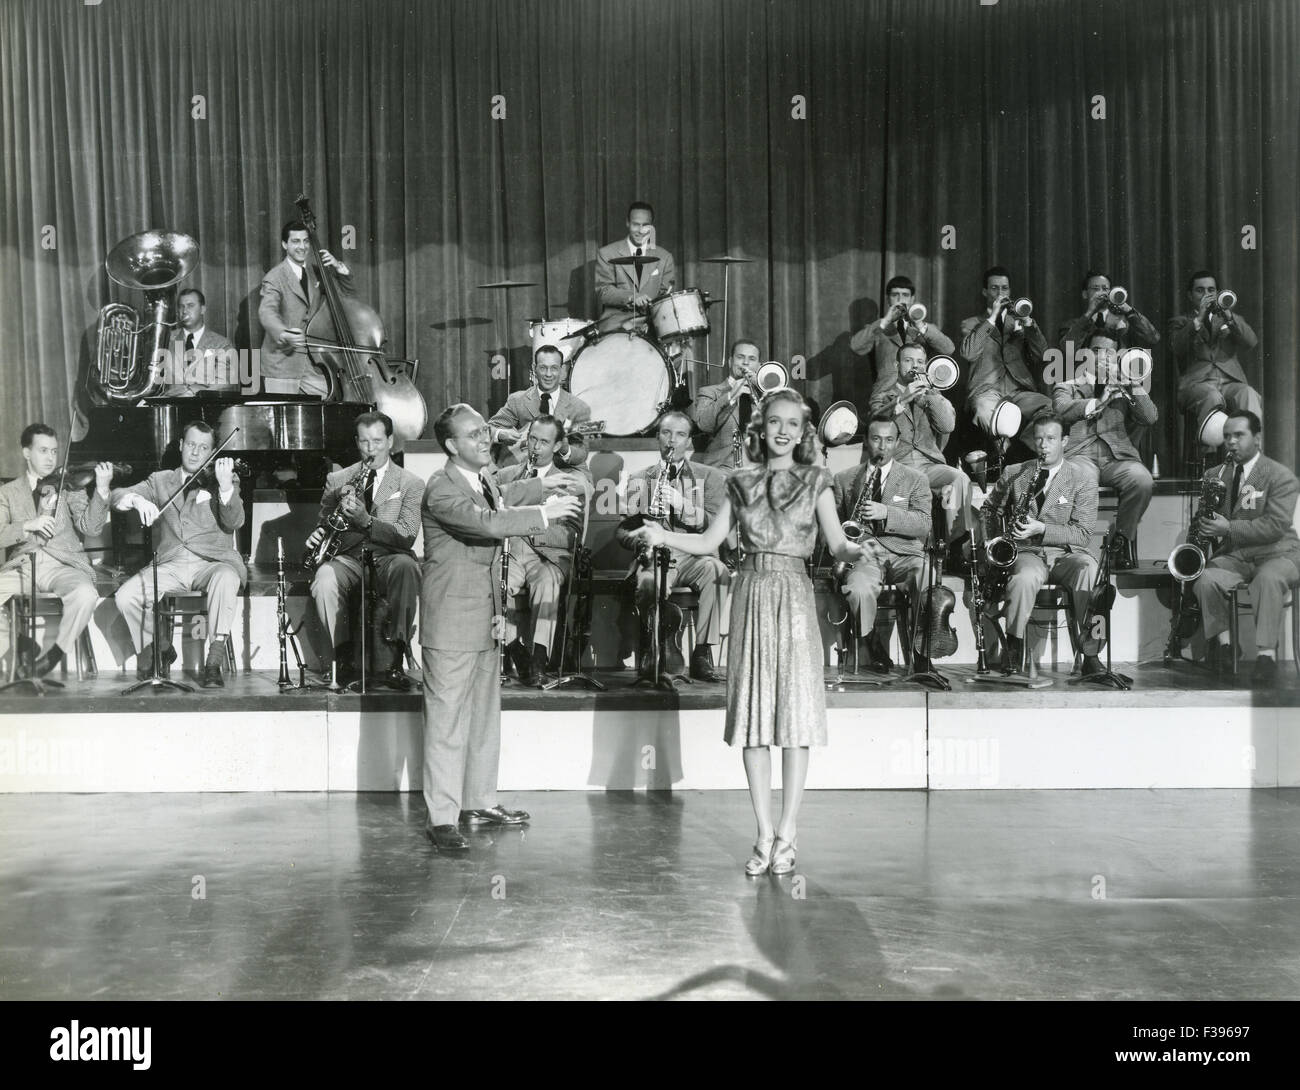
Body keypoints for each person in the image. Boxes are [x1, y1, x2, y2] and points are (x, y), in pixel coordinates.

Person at [632, 389, 865, 877]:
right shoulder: (739, 482)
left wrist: (854, 554)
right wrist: (661, 534)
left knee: (794, 719)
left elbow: (838, 543)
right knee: (755, 720)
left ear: (802, 432)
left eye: (792, 424)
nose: (782, 431)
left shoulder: (818, 481)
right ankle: (762, 834)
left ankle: (789, 833)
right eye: (774, 421)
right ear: (762, 427)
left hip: (795, 597)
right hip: (752, 594)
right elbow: (708, 542)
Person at [419, 404, 581, 853]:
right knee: (447, 724)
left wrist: (538, 484)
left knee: (483, 719)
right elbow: (487, 522)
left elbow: (501, 492)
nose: (485, 439)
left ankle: (478, 802)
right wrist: (544, 512)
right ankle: (442, 819)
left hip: (487, 617)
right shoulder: (441, 488)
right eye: (473, 435)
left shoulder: (481, 478)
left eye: (485, 431)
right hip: (451, 620)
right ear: (451, 445)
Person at [112, 421, 245, 688]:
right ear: (182, 445)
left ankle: (213, 661)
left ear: (212, 453)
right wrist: (137, 500)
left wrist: (226, 488)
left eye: (204, 448)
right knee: (126, 596)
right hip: (170, 563)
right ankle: (160, 646)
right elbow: (117, 495)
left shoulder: (223, 480)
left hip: (211, 562)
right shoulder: (160, 480)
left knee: (227, 578)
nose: (196, 453)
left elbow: (234, 522)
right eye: (192, 445)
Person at [978, 412, 1104, 676]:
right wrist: (994, 540)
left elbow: (1082, 534)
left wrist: (1042, 529)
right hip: (1027, 552)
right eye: (1039, 439)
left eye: (1051, 439)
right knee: (1023, 578)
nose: (1043, 446)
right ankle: (1013, 644)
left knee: (1089, 570)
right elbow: (989, 510)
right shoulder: (1015, 473)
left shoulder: (1083, 479)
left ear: (1065, 441)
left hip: (1067, 554)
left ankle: (1090, 652)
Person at [306, 411, 424, 690]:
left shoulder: (411, 483)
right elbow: (326, 523)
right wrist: (318, 535)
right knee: (323, 580)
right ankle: (342, 658)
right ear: (356, 443)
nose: (371, 449)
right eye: (364, 442)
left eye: (377, 441)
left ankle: (394, 658)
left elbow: (406, 535)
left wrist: (366, 521)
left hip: (389, 557)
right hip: (348, 559)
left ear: (391, 441)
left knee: (408, 568)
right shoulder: (338, 480)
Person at [615, 410, 728, 683]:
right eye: (666, 433)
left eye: (680, 435)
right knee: (646, 584)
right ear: (657, 437)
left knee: (717, 571)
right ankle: (651, 650)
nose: (672, 441)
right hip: (653, 557)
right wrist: (640, 537)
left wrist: (683, 505)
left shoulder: (710, 477)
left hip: (694, 554)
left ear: (689, 441)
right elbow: (622, 532)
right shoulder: (639, 478)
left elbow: (717, 526)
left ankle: (702, 653)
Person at [1190, 411, 1300, 687]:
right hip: (1237, 556)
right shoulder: (1215, 475)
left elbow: (1274, 526)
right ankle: (1226, 648)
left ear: (1257, 438)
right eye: (1227, 436)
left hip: (1279, 553)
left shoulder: (1280, 476)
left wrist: (1227, 529)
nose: (1231, 442)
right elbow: (1209, 519)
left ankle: (1266, 656)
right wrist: (1203, 524)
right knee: (1206, 578)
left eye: (1239, 435)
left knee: (1268, 579)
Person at [0, 425, 110, 678]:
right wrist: (27, 526)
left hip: (64, 565)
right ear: (26, 453)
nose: (50, 458)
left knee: (85, 594)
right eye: (43, 451)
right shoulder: (7, 492)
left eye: (54, 451)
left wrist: (102, 490)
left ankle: (54, 654)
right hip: (24, 566)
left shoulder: (69, 485)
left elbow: (90, 527)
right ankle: (20, 643)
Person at [495, 415, 592, 686]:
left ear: (558, 445)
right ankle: (516, 650)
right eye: (532, 439)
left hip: (546, 556)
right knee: (493, 583)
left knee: (547, 581)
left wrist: (532, 522)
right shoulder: (505, 476)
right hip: (511, 553)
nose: (536, 447)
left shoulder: (569, 481)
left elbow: (570, 534)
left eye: (544, 442)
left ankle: (538, 658)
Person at [833, 414, 931, 674]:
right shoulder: (845, 479)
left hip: (905, 553)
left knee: (927, 581)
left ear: (898, 443)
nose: (883, 446)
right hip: (865, 553)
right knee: (857, 587)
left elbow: (923, 523)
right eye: (876, 439)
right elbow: (832, 526)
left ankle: (922, 651)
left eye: (889, 440)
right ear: (867, 441)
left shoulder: (915, 478)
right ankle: (872, 643)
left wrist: (886, 512)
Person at [1052, 331, 1157, 570]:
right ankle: (1076, 548)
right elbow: (1060, 409)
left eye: (1108, 352)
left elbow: (1150, 417)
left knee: (1142, 480)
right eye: (1096, 350)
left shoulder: (1125, 383)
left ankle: (1122, 540)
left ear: (1117, 356)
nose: (1102, 356)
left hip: (1116, 457)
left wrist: (1132, 383)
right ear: (1085, 354)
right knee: (1082, 479)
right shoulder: (1068, 384)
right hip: (1080, 455)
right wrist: (1096, 399)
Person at [869, 343, 974, 552]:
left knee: (959, 479)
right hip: (899, 465)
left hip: (929, 464)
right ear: (897, 364)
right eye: (908, 361)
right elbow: (875, 424)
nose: (914, 366)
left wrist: (930, 397)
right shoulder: (884, 395)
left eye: (919, 362)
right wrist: (902, 398)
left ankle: (953, 544)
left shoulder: (933, 396)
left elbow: (947, 426)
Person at [258, 219, 354, 396]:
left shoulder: (316, 272)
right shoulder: (274, 277)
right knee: (285, 421)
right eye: (295, 241)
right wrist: (283, 333)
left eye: (306, 241)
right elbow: (266, 312)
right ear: (284, 244)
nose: (302, 246)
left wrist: (338, 267)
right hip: (282, 364)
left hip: (314, 364)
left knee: (325, 409)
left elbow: (345, 299)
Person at [961, 266, 1050, 449]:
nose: (1000, 293)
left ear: (1010, 291)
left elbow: (1042, 355)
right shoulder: (971, 324)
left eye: (1004, 288)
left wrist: (1028, 323)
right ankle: (1004, 453)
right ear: (985, 291)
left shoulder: (1018, 320)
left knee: (1048, 406)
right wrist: (993, 316)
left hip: (1018, 390)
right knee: (985, 412)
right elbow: (969, 354)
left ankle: (1022, 448)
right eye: (994, 288)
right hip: (986, 392)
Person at [1168, 270, 1262, 436]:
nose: (1206, 294)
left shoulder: (1230, 318)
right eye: (1200, 290)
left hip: (1229, 383)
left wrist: (1229, 317)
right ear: (1190, 296)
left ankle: (1251, 453)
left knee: (1249, 394)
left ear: (1217, 293)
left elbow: (1251, 342)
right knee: (1213, 397)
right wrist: (1199, 319)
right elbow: (1177, 347)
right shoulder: (1181, 322)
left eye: (1211, 290)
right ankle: (1209, 456)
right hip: (1197, 385)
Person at [487, 344, 593, 468]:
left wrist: (565, 449)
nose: (548, 374)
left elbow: (582, 452)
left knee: (579, 485)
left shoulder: (578, 407)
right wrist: (500, 434)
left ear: (562, 370)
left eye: (554, 368)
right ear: (534, 368)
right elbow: (488, 429)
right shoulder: (517, 400)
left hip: (563, 469)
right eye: (543, 368)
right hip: (522, 466)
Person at [853, 275, 955, 392]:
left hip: (921, 393)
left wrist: (920, 326)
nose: (900, 300)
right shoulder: (878, 328)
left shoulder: (926, 328)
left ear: (912, 299)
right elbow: (856, 347)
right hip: (887, 395)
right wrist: (885, 321)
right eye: (895, 295)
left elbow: (949, 349)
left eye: (905, 295)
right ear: (888, 299)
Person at [594, 201, 676, 325]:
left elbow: (665, 295)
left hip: (652, 325)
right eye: (636, 225)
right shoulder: (607, 253)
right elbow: (604, 291)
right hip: (616, 324)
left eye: (645, 225)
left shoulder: (665, 257)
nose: (641, 231)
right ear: (627, 223)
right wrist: (632, 296)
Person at [687, 339, 763, 470]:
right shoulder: (710, 392)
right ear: (730, 362)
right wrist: (729, 397)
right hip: (720, 471)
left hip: (756, 473)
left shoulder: (764, 396)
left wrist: (762, 387)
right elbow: (704, 424)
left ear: (758, 365)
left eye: (752, 359)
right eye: (740, 357)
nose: (746, 363)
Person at [1056, 270, 1160, 353]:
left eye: (1105, 289)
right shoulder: (1072, 325)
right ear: (1085, 294)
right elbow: (1067, 349)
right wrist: (1090, 313)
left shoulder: (1125, 324)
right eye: (1095, 289)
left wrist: (1129, 311)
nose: (1101, 293)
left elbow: (1153, 339)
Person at [160, 288, 237, 396]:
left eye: (190, 305)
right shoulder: (165, 339)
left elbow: (225, 383)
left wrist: (193, 392)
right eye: (181, 306)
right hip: (170, 407)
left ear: (202, 309)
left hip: (205, 407)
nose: (185, 311)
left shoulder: (222, 344)